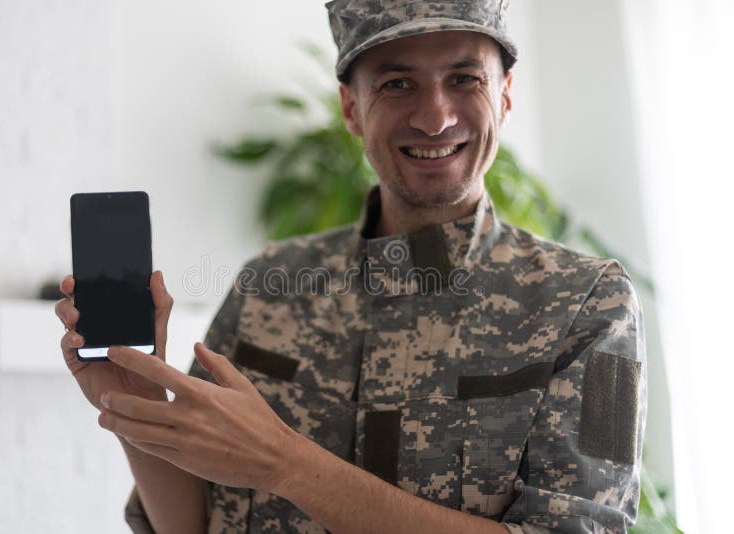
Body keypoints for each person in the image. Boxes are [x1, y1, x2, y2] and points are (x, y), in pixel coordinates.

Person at [55, 1, 647, 532]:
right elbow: (189, 524)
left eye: (464, 79)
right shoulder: (268, 283)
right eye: (397, 84)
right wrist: (137, 407)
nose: (435, 118)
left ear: (506, 94)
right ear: (352, 108)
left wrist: (286, 465)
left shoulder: (591, 304)